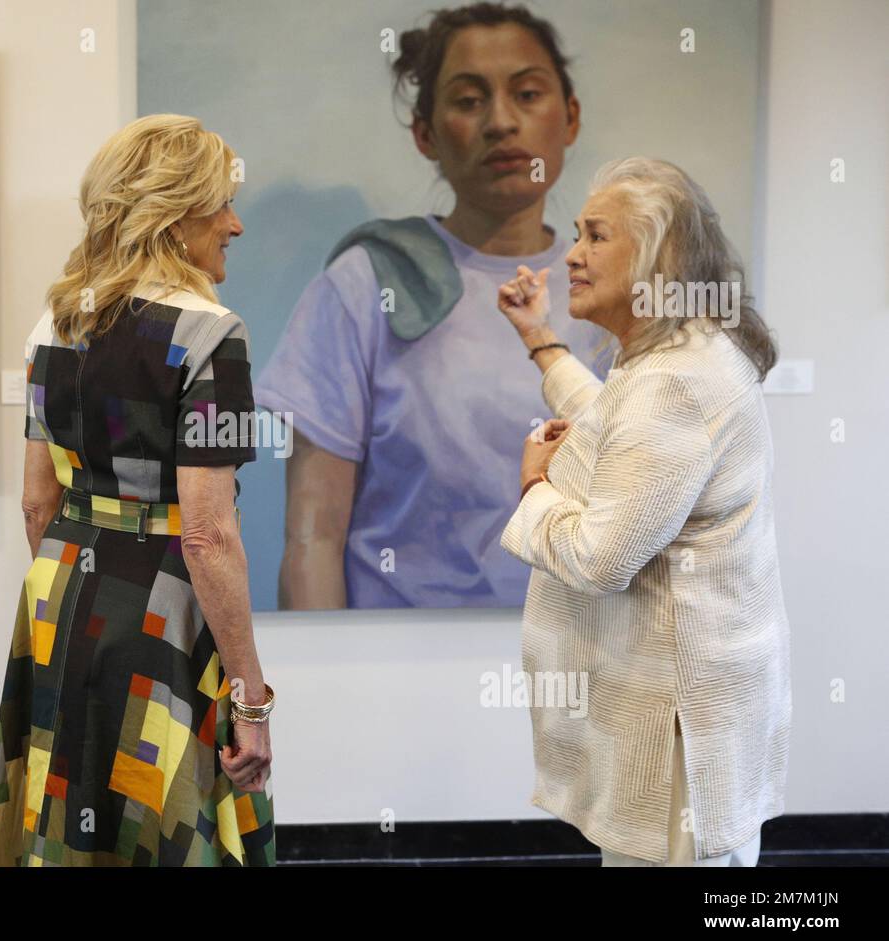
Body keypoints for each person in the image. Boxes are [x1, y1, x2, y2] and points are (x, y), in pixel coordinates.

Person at [0, 114, 276, 866]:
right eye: (220, 207)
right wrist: (251, 698)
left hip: (61, 600)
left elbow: (37, 503)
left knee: (70, 811)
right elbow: (208, 535)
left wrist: (73, 592)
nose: (235, 224)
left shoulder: (57, 322)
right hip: (163, 610)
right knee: (161, 828)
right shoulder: (210, 334)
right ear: (174, 218)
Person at [254, 2, 608, 609]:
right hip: (399, 675)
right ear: (426, 133)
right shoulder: (367, 285)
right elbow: (313, 538)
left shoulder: (620, 290)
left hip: (588, 666)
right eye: (469, 100)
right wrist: (330, 689)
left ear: (570, 117)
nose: (501, 121)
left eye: (527, 93)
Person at [497, 157, 791, 866]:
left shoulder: (674, 384)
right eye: (576, 234)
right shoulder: (680, 359)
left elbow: (601, 558)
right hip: (680, 728)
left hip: (676, 739)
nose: (571, 254)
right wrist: (540, 340)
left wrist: (536, 489)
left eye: (596, 236)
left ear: (660, 258)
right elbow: (619, 430)